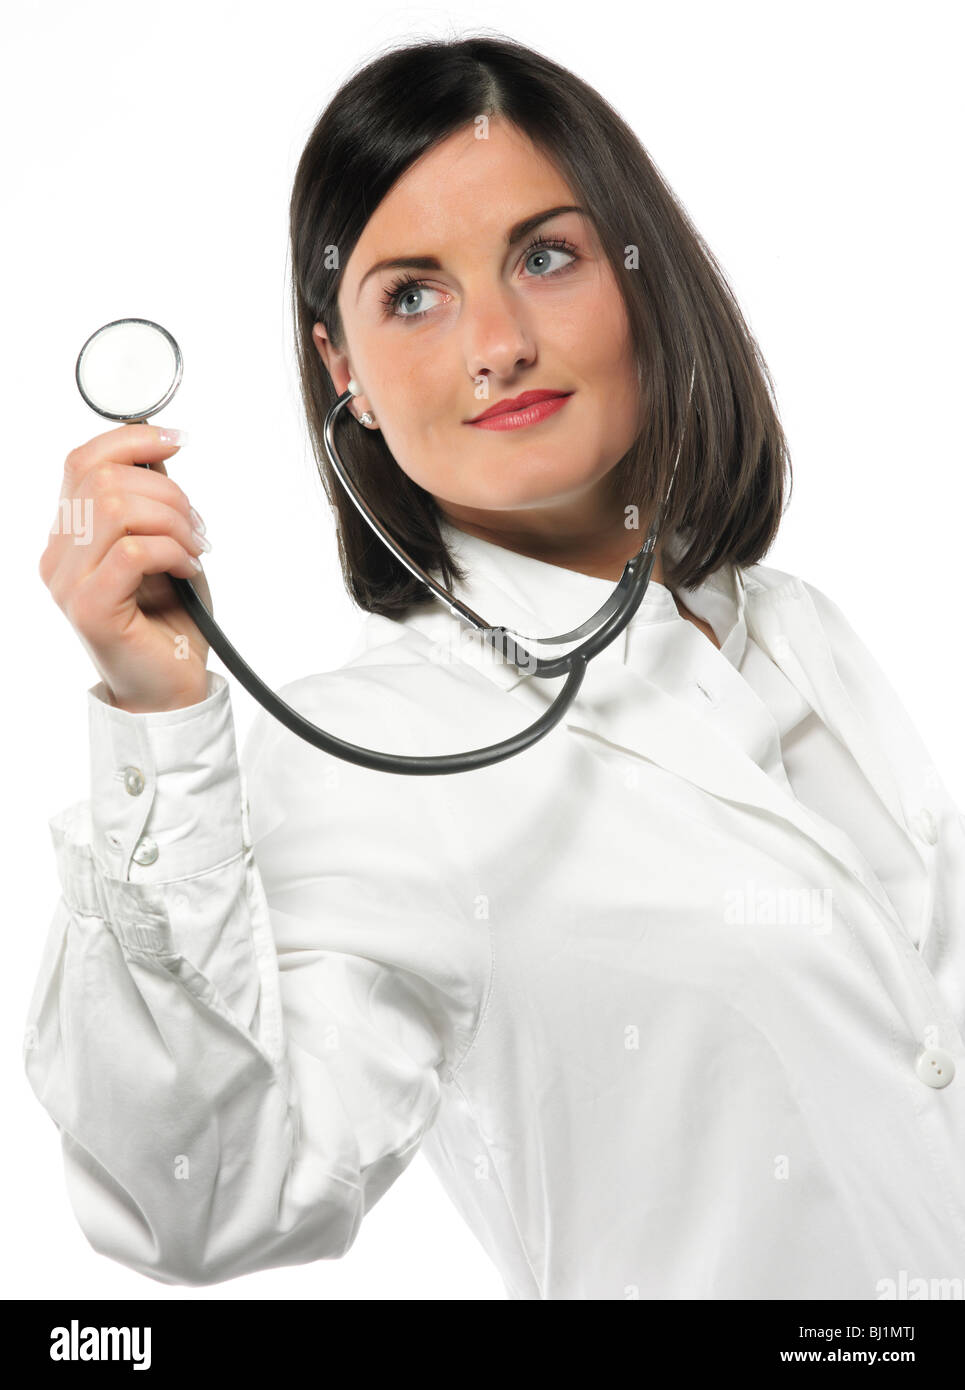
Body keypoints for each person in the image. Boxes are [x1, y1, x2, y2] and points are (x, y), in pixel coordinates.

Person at [26, 35, 965, 1300]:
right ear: (340, 370)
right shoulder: (368, 758)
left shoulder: (793, 627)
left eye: (544, 256)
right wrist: (154, 716)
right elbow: (211, 1201)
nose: (499, 342)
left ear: (642, 275)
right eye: (411, 293)